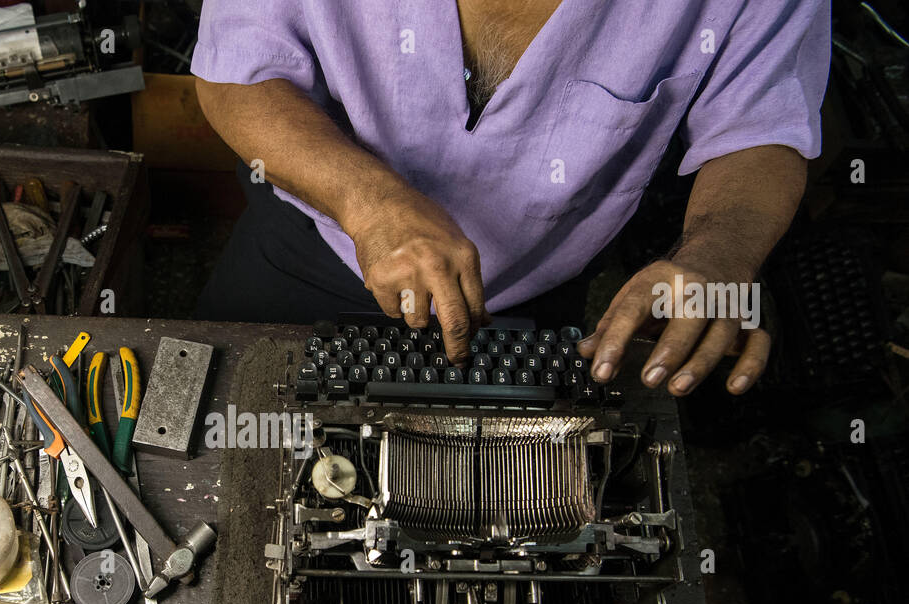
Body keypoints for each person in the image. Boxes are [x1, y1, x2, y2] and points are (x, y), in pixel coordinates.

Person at [191, 0, 830, 395]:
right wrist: (367, 202)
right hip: (312, 240)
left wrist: (718, 258)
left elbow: (758, 133)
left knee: (501, 514)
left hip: (524, 303)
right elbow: (237, 74)